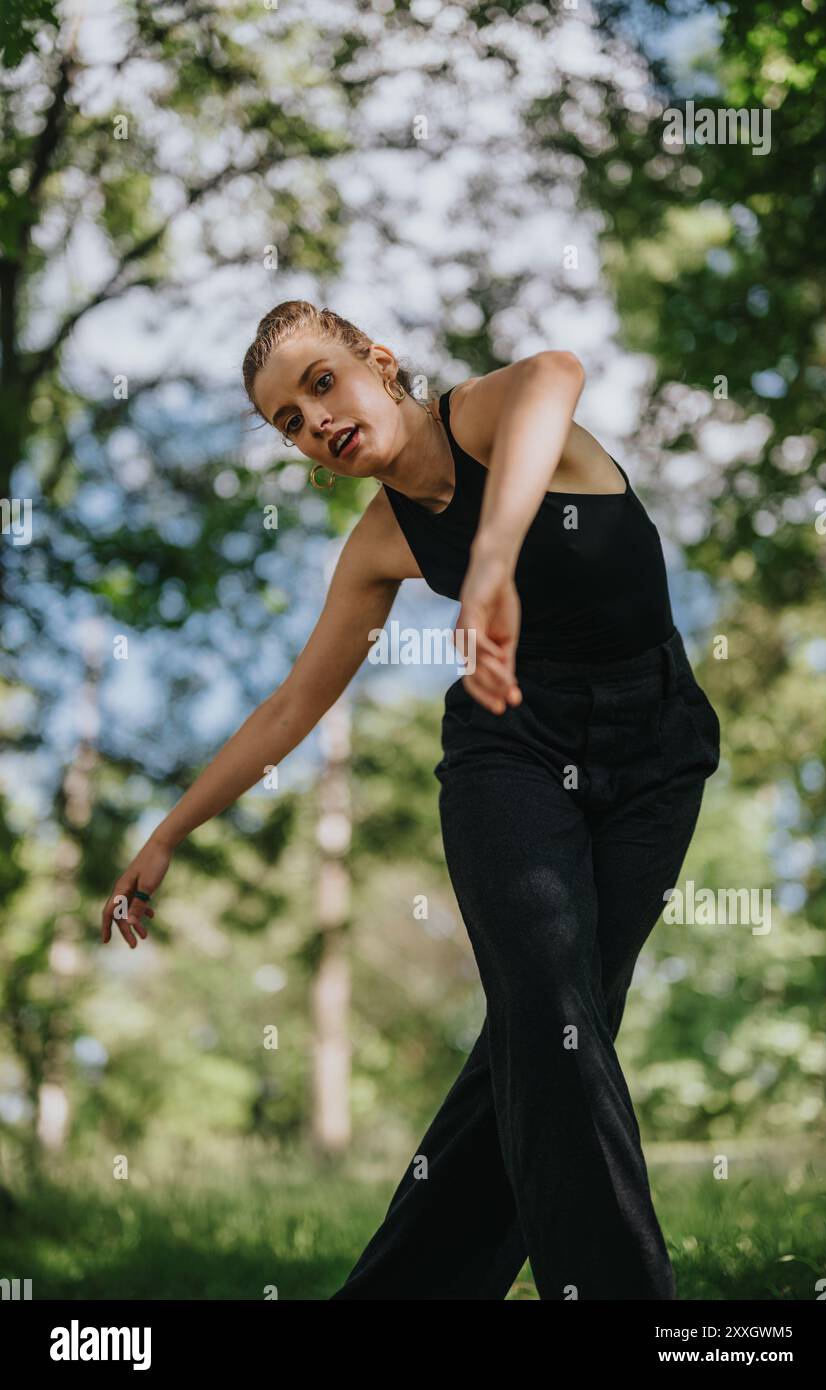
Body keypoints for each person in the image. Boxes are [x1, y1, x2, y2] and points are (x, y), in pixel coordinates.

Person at [101, 299, 721, 1300]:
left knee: (551, 1039)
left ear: (379, 363)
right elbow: (296, 701)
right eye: (290, 423)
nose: (318, 421)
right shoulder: (382, 541)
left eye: (320, 383)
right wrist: (170, 830)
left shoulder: (481, 418)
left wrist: (491, 556)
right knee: (550, 1017)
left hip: (659, 749)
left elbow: (557, 370)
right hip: (510, 751)